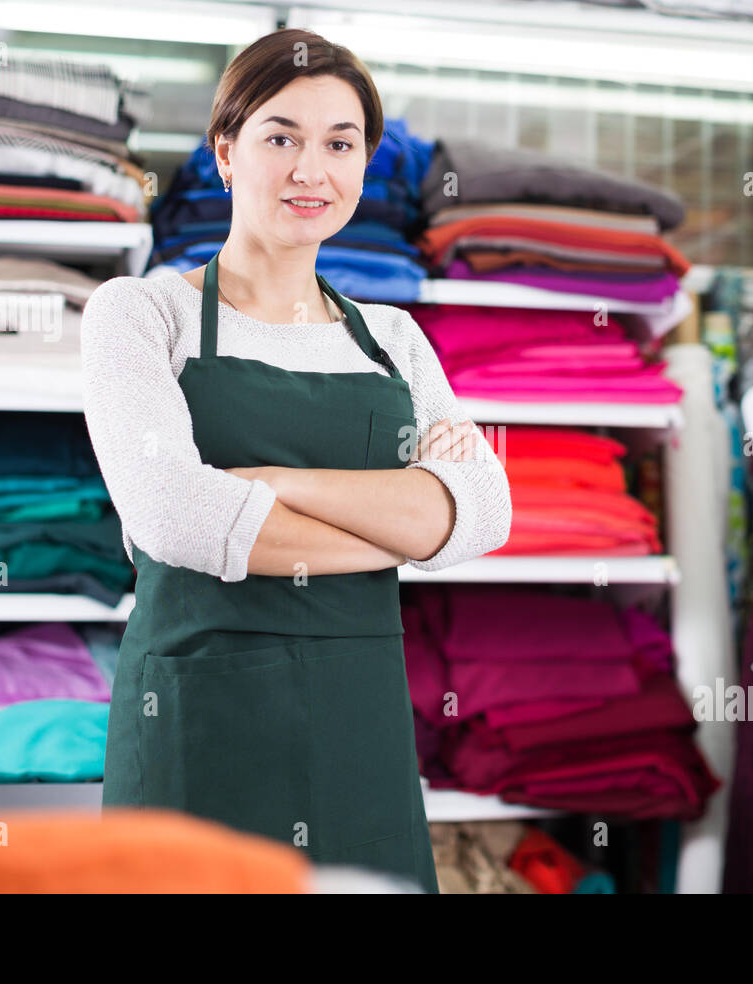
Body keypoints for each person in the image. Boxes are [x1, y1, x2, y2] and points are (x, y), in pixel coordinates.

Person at [80, 28, 512, 894]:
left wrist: (278, 487)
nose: (311, 170)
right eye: (281, 137)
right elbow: (173, 515)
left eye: (340, 144)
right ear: (226, 151)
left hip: (361, 732)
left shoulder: (393, 339)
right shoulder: (139, 314)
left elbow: (484, 514)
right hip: (195, 723)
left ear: (363, 165)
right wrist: (405, 522)